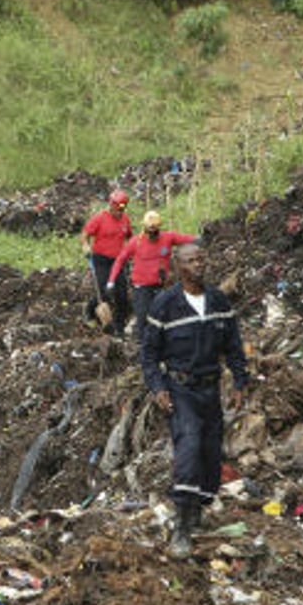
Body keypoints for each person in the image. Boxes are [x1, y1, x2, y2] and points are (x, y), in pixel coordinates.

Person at [141, 244, 249, 559]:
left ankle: (198, 510)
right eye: (190, 261)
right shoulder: (165, 305)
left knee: (210, 453)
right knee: (188, 446)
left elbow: (233, 345)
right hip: (180, 390)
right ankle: (181, 527)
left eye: (201, 258)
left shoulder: (218, 301)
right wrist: (158, 387)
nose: (198, 264)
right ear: (178, 267)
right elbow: (148, 353)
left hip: (210, 389)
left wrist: (240, 380)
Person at [107, 210, 196, 343]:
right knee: (143, 317)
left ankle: (167, 343)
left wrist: (199, 239)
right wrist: (111, 281)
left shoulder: (167, 238)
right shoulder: (135, 242)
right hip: (141, 287)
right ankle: (144, 346)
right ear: (145, 228)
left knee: (165, 315)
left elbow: (186, 239)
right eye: (150, 231)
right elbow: (120, 260)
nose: (152, 234)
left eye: (155, 230)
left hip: (161, 285)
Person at [81, 189, 132, 333]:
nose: (119, 212)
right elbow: (85, 235)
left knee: (122, 294)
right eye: (117, 208)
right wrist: (85, 246)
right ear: (111, 205)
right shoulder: (99, 219)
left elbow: (129, 237)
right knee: (103, 292)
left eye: (122, 208)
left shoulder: (125, 219)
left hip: (118, 261)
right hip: (101, 260)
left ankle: (119, 327)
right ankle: (90, 312)